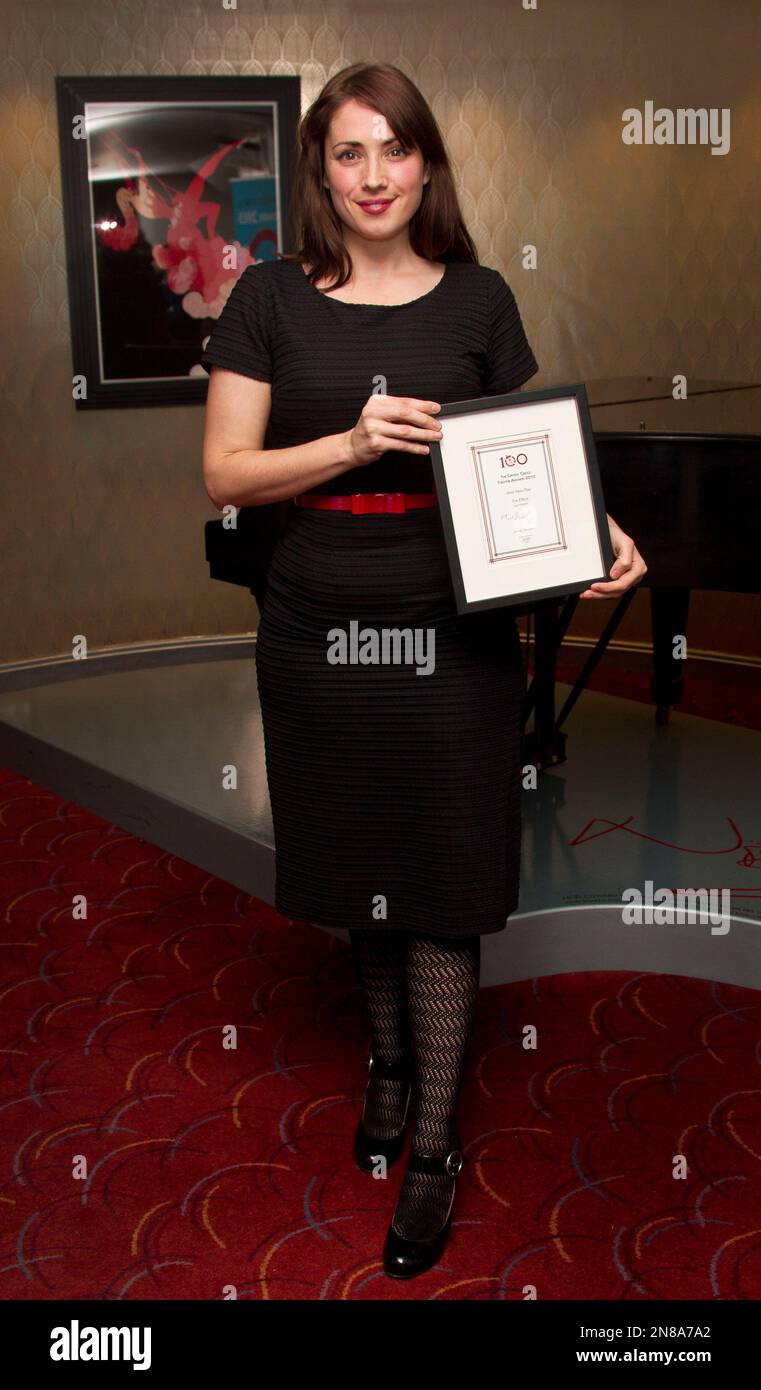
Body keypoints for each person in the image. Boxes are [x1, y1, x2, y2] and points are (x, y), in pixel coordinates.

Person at [201, 61, 647, 1281]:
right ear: (319, 172)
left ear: (426, 161)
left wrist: (596, 533)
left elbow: (532, 463)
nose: (373, 176)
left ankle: (436, 1143)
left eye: (393, 149)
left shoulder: (479, 300)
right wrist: (347, 439)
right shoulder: (269, 300)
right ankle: (388, 1068)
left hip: (455, 640)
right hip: (317, 634)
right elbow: (225, 474)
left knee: (443, 885)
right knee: (361, 869)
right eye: (348, 154)